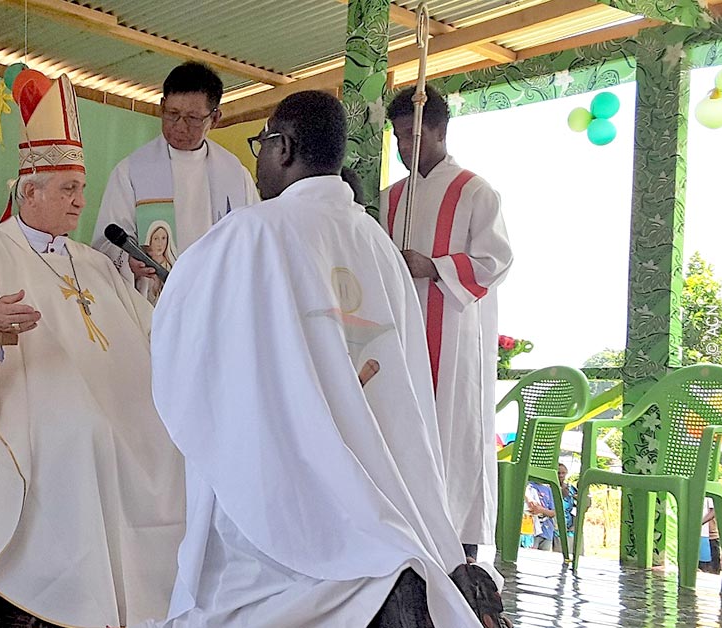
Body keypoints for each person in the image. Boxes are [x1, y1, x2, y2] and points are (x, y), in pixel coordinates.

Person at [141, 90, 508, 628]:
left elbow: (182, 339)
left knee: (252, 568)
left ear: (283, 148)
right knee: (365, 542)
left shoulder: (251, 231)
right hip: (376, 479)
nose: (258, 159)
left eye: (261, 145)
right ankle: (382, 582)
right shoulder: (378, 244)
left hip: (280, 483)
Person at [0, 70, 184, 628]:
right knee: (89, 434)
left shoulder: (96, 261)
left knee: (168, 433)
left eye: (82, 186)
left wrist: (170, 302)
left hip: (114, 392)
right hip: (24, 392)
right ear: (29, 191)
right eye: (68, 188)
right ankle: (80, 595)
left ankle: (150, 595)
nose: (82, 199)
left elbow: (145, 328)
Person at [381, 85, 514, 561]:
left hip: (453, 339)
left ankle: (460, 549)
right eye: (398, 138)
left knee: (452, 434)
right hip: (398, 337)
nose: (405, 148)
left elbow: (495, 260)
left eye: (414, 135)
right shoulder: (390, 199)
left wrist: (435, 266)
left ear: (440, 130)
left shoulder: (475, 191)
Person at [92, 61, 258, 303]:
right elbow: (105, 246)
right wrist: (130, 261)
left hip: (219, 301)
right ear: (161, 106)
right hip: (157, 306)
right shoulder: (131, 171)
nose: (179, 126)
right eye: (172, 114)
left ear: (215, 118)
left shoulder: (235, 174)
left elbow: (254, 243)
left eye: (192, 118)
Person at [525, 482, 557, 551]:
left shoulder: (548, 489)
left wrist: (541, 510)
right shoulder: (529, 486)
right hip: (531, 530)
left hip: (547, 531)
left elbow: (553, 512)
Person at [558, 462, 578, 554]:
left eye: (563, 473)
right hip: (555, 527)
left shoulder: (571, 488)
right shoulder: (549, 487)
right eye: (559, 473)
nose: (561, 475)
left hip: (569, 526)